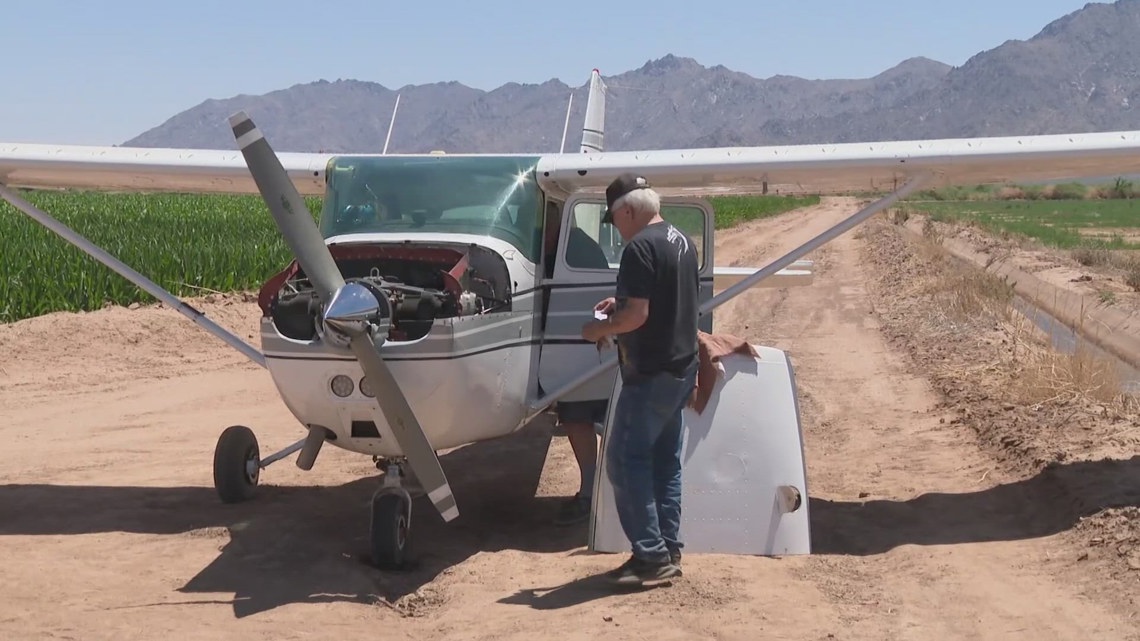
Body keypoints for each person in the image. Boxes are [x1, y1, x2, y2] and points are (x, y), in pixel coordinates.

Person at [580, 173, 700, 587]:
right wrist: (623, 302)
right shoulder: (681, 241)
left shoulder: (639, 248)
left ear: (627, 210)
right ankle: (668, 548)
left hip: (650, 373)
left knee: (623, 461)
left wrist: (597, 329)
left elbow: (637, 316)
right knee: (665, 464)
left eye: (614, 219)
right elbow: (665, 298)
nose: (616, 228)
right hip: (680, 369)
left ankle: (650, 556)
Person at [539, 201, 613, 525]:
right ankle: (591, 489)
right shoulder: (557, 248)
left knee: (582, 413)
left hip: (586, 347)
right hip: (570, 344)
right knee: (575, 415)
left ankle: (595, 495)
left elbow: (593, 302)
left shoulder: (577, 250)